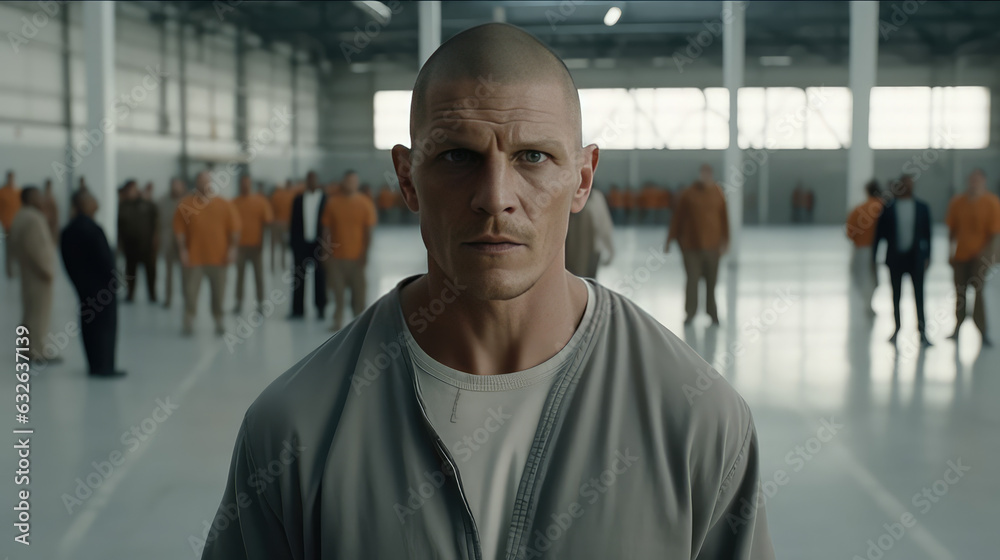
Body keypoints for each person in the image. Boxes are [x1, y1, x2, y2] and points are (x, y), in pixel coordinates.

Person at [201, 23, 772, 560]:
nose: (495, 196)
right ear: (406, 179)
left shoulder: (697, 419)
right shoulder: (292, 430)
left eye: (533, 157)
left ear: (583, 177)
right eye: (457, 156)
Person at [60, 189, 125, 377]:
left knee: (90, 327)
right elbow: (106, 261)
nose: (96, 202)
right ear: (84, 204)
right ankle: (105, 367)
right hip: (102, 288)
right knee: (105, 328)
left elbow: (67, 261)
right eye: (92, 199)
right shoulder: (93, 229)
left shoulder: (69, 230)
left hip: (84, 287)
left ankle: (95, 365)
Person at [173, 171, 241, 336]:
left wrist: (232, 249)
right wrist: (182, 251)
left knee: (219, 293)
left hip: (218, 258)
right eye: (201, 181)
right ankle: (188, 320)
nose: (204, 184)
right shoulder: (186, 204)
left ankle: (219, 320)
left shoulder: (224, 204)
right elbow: (179, 231)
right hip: (194, 258)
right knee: (190, 293)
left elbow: (235, 229)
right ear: (196, 184)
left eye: (207, 181)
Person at [666, 164, 730, 325]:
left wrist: (726, 241)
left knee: (711, 282)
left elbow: (724, 220)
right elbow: (677, 219)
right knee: (692, 281)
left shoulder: (717, 194)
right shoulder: (688, 194)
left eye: (708, 173)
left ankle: (712, 312)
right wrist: (670, 239)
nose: (705, 176)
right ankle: (691, 313)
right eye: (703, 173)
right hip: (691, 247)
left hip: (713, 247)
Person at [873, 175, 933, 346]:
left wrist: (928, 256)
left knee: (919, 296)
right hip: (895, 259)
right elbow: (879, 235)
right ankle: (897, 328)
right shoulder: (888, 208)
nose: (907, 187)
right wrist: (874, 257)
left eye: (910, 184)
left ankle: (922, 332)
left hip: (916, 259)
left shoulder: (922, 207)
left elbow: (928, 235)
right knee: (896, 296)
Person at [945, 169, 1000, 347]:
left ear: (983, 181)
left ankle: (982, 330)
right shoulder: (958, 203)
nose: (974, 183)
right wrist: (950, 252)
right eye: (972, 179)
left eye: (977, 180)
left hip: (980, 257)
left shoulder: (991, 203)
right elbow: (951, 231)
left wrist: (987, 255)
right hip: (961, 255)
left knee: (979, 292)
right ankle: (958, 325)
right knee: (960, 292)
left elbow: (994, 234)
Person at [9, 187, 60, 362]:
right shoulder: (33, 218)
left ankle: (25, 349)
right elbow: (33, 248)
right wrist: (44, 270)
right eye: (38, 196)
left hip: (29, 272)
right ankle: (37, 351)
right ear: (30, 198)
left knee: (30, 311)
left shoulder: (22, 215)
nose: (42, 199)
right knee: (39, 313)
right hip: (38, 273)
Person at [321, 170, 377, 331]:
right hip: (336, 258)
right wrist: (325, 252)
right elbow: (326, 230)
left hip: (356, 258)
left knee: (359, 295)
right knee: (338, 293)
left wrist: (365, 254)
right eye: (348, 181)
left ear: (357, 183)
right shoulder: (333, 202)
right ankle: (337, 321)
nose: (351, 184)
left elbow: (368, 232)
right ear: (343, 182)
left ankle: (359, 324)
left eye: (353, 181)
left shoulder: (365, 203)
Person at [288, 170, 328, 319]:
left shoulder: (325, 199)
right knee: (298, 278)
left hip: (319, 245)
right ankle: (298, 310)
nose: (311, 182)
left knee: (320, 277)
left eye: (313, 179)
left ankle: (321, 308)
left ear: (317, 181)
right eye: (308, 179)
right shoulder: (298, 199)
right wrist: (292, 244)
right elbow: (293, 223)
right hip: (301, 244)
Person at [231, 174, 274, 314]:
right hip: (240, 246)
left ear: (251, 185)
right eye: (243, 183)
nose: (245, 186)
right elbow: (230, 225)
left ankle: (261, 303)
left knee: (259, 275)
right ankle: (238, 302)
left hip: (256, 246)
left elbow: (267, 223)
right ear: (240, 185)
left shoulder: (260, 202)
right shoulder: (234, 202)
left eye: (247, 183)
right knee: (240, 276)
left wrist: (263, 241)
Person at [846, 179, 884, 318]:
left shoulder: (859, 209)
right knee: (873, 277)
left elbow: (849, 232)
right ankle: (869, 303)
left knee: (861, 277)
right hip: (877, 248)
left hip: (861, 248)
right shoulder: (882, 207)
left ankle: (867, 303)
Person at [117, 179, 159, 303]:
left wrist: (155, 241)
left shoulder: (148, 205)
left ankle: (152, 295)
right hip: (130, 246)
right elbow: (119, 225)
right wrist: (120, 243)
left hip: (147, 245)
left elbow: (155, 223)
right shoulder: (123, 206)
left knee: (150, 272)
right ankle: (130, 294)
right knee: (130, 272)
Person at [565, 187, 614, 278]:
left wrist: (611, 251)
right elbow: (605, 226)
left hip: (592, 251)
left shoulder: (595, 198)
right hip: (578, 251)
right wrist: (611, 251)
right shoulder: (595, 198)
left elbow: (604, 226)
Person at [158, 177, 186, 308]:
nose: (176, 188)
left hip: (183, 242)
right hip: (168, 240)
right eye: (174, 185)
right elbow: (158, 222)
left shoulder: (189, 201)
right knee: (168, 273)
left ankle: (187, 299)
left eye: (178, 185)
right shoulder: (163, 201)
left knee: (185, 273)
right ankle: (168, 299)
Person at [269, 180, 295, 273]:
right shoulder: (290, 196)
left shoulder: (275, 196)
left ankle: (272, 266)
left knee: (274, 246)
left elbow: (271, 210)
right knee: (283, 246)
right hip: (285, 224)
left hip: (276, 223)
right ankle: (283, 265)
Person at [0, 170, 21, 278]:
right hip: (7, 225)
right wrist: (4, 222)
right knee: (8, 250)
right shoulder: (2, 192)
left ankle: (16, 271)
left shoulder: (17, 192)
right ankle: (9, 272)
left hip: (17, 225)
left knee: (17, 249)